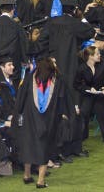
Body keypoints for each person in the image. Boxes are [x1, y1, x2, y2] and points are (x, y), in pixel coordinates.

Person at [13, 58, 73, 188]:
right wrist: (65, 114)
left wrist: (18, 116)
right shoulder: (57, 82)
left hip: (30, 119)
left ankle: (27, 175)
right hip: (48, 121)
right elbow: (63, 100)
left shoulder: (29, 79)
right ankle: (40, 181)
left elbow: (20, 99)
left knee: (29, 146)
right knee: (44, 149)